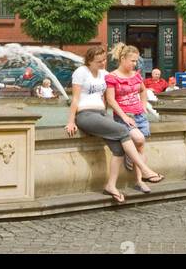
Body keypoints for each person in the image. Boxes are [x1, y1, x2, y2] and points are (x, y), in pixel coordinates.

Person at [66, 46, 155, 202]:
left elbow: (111, 96)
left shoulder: (105, 74)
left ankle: (110, 186)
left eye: (104, 60)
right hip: (85, 114)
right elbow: (75, 99)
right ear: (89, 61)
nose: (103, 63)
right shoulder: (81, 72)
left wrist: (136, 104)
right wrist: (71, 121)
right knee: (122, 129)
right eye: (99, 61)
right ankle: (144, 169)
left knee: (118, 149)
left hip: (100, 114)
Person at [105, 43, 164, 193]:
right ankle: (142, 168)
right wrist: (124, 117)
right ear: (123, 58)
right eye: (132, 60)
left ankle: (139, 181)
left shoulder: (136, 76)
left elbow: (143, 91)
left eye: (136, 61)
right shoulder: (112, 77)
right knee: (139, 139)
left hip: (139, 116)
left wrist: (143, 106)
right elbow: (111, 100)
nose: (135, 63)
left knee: (140, 147)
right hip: (124, 117)